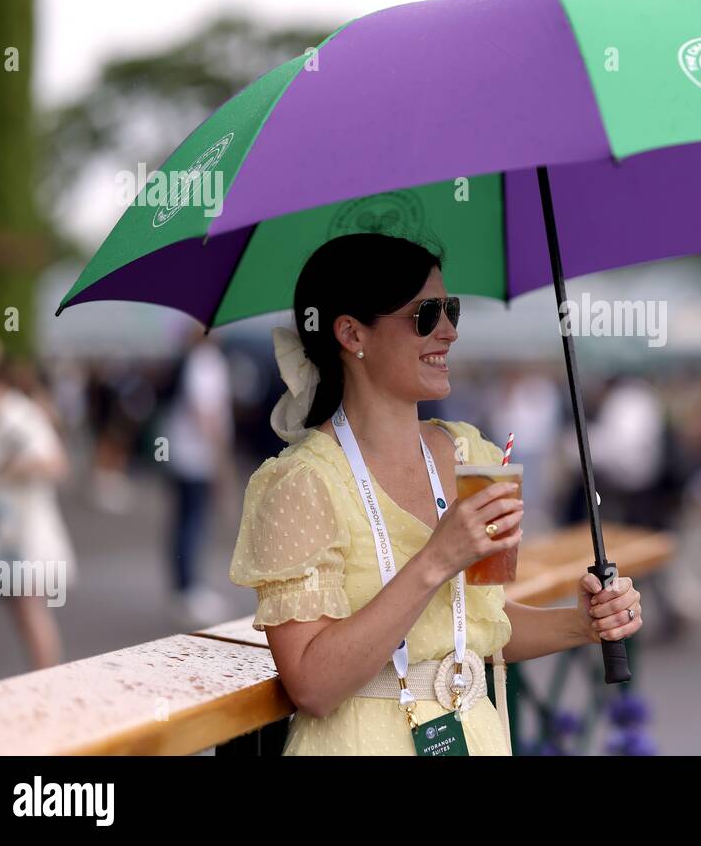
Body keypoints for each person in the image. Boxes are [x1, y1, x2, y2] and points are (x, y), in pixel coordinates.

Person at [229, 234, 643, 755]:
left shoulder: (472, 453)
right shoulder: (299, 484)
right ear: (353, 333)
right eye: (426, 314)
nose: (448, 331)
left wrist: (581, 625)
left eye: (452, 310)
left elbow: (479, 624)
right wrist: (436, 559)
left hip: (477, 734)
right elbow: (313, 684)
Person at [0, 329, 75, 686]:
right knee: (9, 614)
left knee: (25, 615)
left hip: (20, 539)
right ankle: (47, 689)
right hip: (3, 539)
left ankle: (47, 689)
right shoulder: (3, 416)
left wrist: (6, 470)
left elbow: (56, 463)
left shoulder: (17, 415)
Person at [162, 325, 234, 627]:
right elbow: (207, 414)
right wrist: (221, 461)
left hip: (183, 453)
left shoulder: (195, 359)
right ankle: (189, 589)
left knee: (185, 520)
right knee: (193, 521)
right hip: (196, 456)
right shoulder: (207, 361)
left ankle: (185, 587)